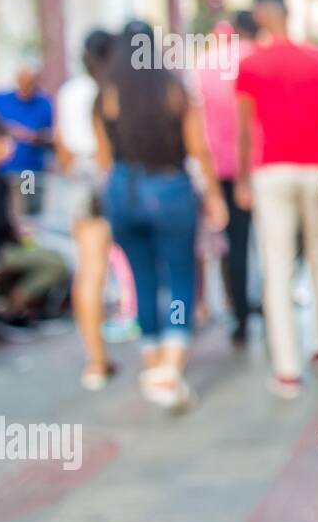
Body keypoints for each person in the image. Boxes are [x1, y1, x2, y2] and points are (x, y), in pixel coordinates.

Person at [94, 21, 227, 410]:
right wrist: (214, 195)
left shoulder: (107, 94)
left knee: (142, 278)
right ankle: (172, 361)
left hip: (123, 189)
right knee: (181, 275)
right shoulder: (173, 89)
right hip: (170, 190)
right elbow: (198, 148)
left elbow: (104, 160)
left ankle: (152, 359)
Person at [234, 0, 318, 397]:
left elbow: (245, 129)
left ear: (262, 12)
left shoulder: (251, 64)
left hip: (272, 172)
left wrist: (243, 180)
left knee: (277, 267)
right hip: (316, 169)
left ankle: (287, 370)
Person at [55, 29, 118, 389]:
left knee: (89, 270)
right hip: (109, 176)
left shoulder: (69, 91)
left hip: (80, 177)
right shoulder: (108, 90)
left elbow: (60, 141)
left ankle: (95, 361)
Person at [194, 10, 258, 343]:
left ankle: (241, 315)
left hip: (221, 169)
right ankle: (269, 307)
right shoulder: (255, 58)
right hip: (260, 165)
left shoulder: (204, 64)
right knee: (270, 243)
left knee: (234, 245)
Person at [0, 110, 69, 323]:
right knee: (55, 262)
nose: (8, 145)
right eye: (1, 139)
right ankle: (12, 307)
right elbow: (2, 225)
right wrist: (20, 233)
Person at [0, 67, 54, 216]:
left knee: (29, 211)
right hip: (1, 170)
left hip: (29, 170)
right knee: (0, 208)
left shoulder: (44, 103)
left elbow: (52, 135)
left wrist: (32, 136)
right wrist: (7, 129)